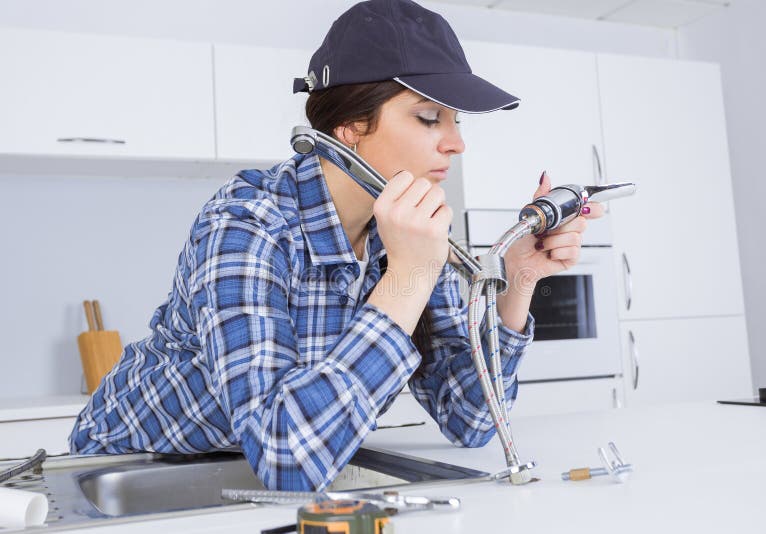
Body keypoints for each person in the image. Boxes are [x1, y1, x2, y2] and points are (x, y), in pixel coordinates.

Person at [69, 0, 604, 491]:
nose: (456, 142)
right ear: (351, 124)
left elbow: (473, 421)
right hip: (128, 469)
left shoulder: (410, 232)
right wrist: (408, 279)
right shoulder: (247, 224)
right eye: (428, 116)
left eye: (456, 120)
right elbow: (286, 457)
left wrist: (518, 280)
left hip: (248, 471)